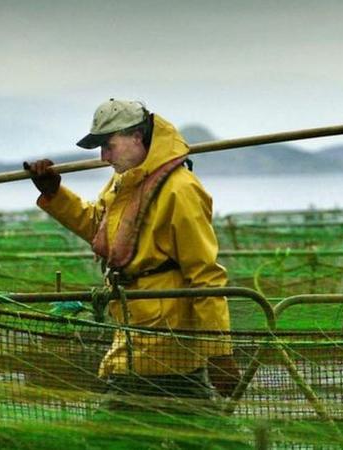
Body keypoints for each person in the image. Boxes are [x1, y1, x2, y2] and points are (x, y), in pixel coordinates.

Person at [24, 99, 239, 403]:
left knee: (127, 424)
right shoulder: (124, 181)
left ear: (137, 136)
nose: (103, 157)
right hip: (132, 329)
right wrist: (54, 194)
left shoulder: (181, 190)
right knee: (192, 427)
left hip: (166, 339)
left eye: (109, 145)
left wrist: (219, 352)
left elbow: (205, 276)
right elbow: (100, 227)